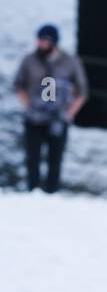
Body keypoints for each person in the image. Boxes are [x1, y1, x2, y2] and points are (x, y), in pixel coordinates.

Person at [12, 24, 88, 193]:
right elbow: (18, 85)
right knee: (33, 158)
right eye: (39, 40)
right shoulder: (30, 60)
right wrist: (28, 106)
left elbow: (82, 92)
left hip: (58, 119)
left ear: (53, 42)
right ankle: (33, 193)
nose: (40, 44)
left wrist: (69, 114)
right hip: (34, 118)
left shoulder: (69, 62)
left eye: (44, 41)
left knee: (55, 159)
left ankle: (52, 195)